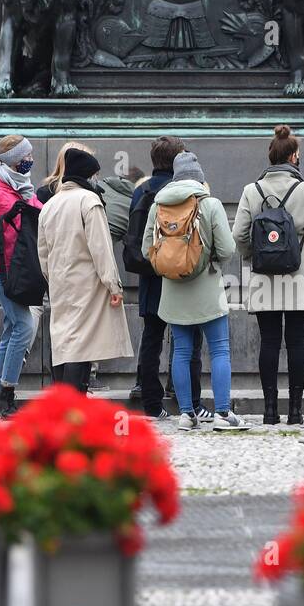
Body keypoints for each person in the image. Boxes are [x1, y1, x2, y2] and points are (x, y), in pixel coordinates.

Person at [233, 125, 304, 425]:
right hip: (300, 274)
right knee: (297, 342)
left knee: (268, 342)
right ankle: (296, 410)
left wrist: (254, 255)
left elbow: (238, 235)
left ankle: (270, 410)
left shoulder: (250, 191)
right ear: (294, 156)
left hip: (262, 276)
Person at [142, 151, 246, 430]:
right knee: (220, 350)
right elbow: (226, 249)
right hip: (207, 289)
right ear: (200, 177)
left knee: (182, 352)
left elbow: (145, 250)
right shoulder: (209, 204)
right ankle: (223, 413)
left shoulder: (158, 206)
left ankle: (187, 415)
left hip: (172, 292)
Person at [36, 144, 134, 392]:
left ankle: (61, 402)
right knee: (82, 346)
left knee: (62, 343)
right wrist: (113, 285)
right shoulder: (89, 201)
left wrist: (52, 279)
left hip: (60, 283)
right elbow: (101, 249)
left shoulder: (50, 204)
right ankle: (74, 404)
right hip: (88, 284)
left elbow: (43, 253)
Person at [127, 136, 202, 420]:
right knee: (187, 341)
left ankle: (151, 403)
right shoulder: (185, 191)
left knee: (152, 340)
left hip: (151, 273)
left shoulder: (142, 190)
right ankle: (188, 400)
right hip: (181, 275)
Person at [0, 134, 42, 418]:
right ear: (14, 160)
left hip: (19, 266)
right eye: (26, 157)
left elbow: (39, 214)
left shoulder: (23, 188)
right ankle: (7, 394)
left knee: (11, 330)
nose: (30, 161)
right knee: (24, 326)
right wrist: (7, 219)